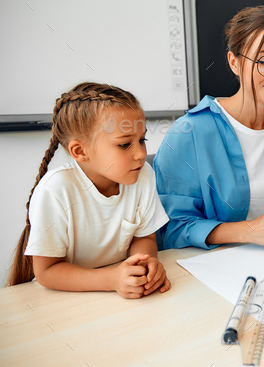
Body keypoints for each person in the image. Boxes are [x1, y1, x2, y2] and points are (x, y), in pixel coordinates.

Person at [154, 6, 264, 250]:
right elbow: (172, 227)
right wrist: (249, 231)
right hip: (210, 269)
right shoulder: (188, 133)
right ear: (234, 63)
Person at [9, 83, 171, 299]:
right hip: (65, 302)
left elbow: (144, 237)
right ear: (80, 151)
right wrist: (111, 279)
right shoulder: (56, 190)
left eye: (142, 140)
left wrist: (145, 264)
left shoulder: (143, 175)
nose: (141, 154)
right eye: (125, 145)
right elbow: (46, 272)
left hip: (117, 297)